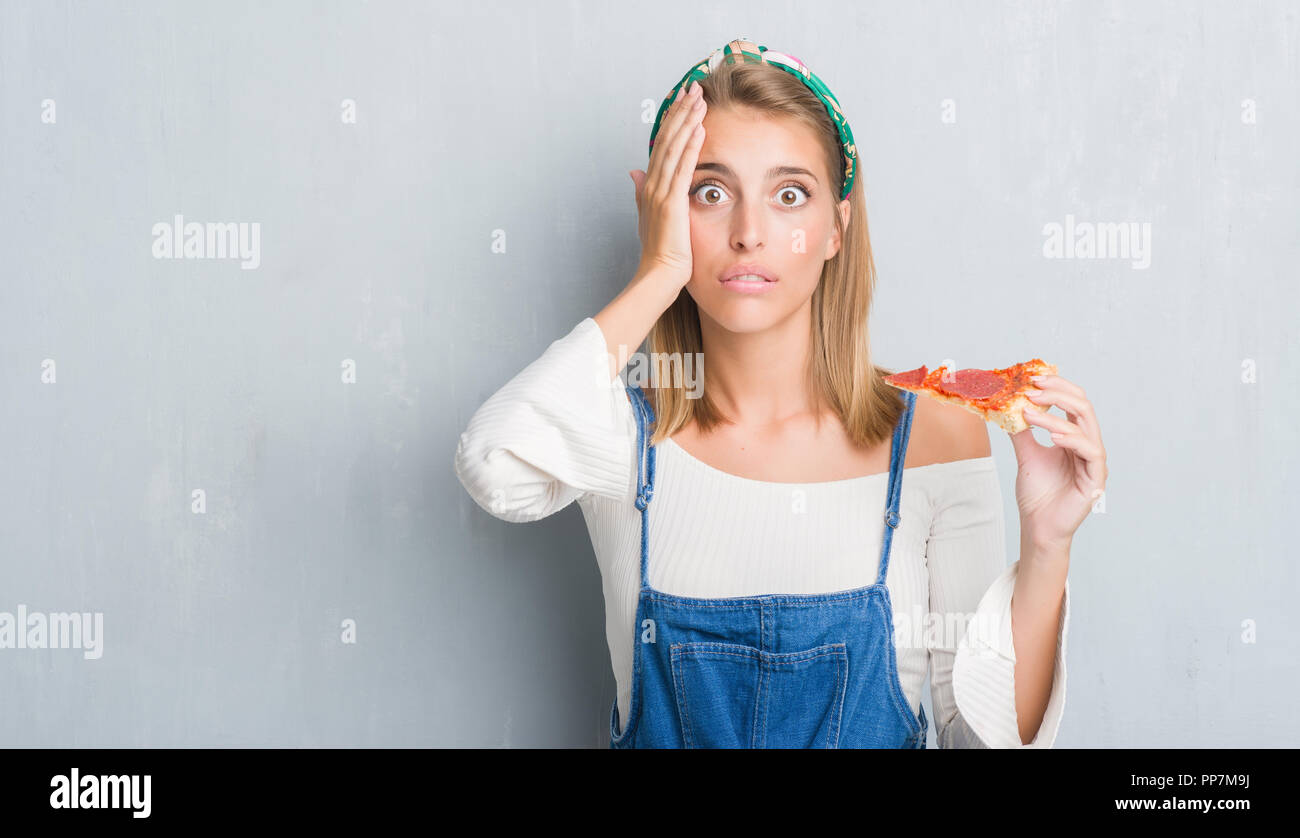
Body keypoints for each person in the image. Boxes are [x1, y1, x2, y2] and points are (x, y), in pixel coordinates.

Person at [454, 37, 1107, 748]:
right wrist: (658, 269)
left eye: (789, 194)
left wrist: (1047, 548)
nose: (749, 233)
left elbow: (976, 740)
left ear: (835, 229)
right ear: (663, 210)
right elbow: (493, 465)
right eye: (710, 192)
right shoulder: (617, 434)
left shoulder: (932, 437)